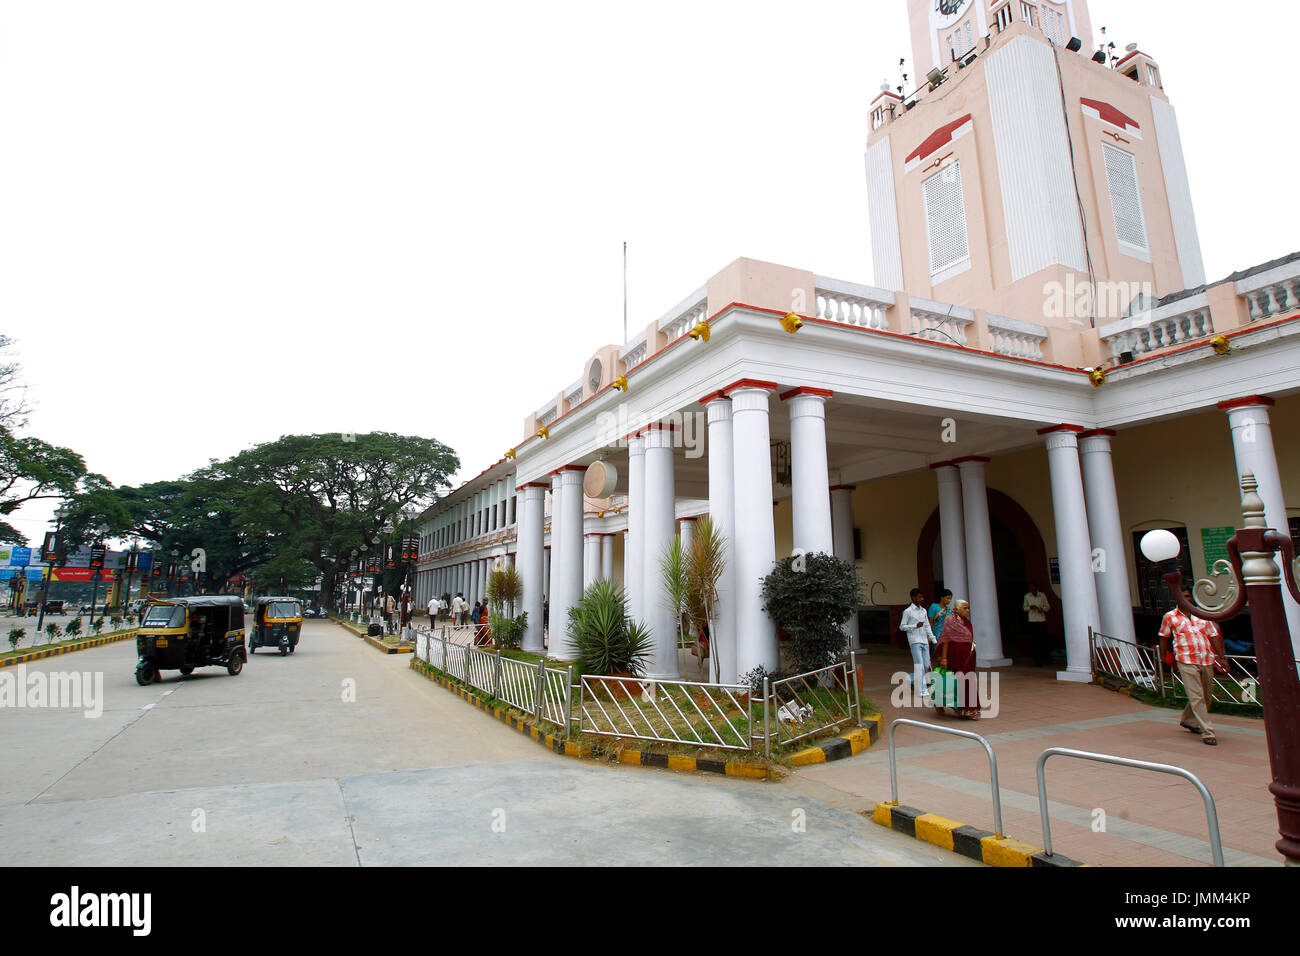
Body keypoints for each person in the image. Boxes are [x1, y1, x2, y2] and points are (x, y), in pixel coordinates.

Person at [1159, 587, 1226, 746]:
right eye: (1182, 596)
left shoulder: (1202, 615)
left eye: (1188, 596)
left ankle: (1188, 720)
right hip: (1185, 659)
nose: (1185, 599)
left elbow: (1213, 636)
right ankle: (1207, 732)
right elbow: (1164, 636)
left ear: (1193, 598)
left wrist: (1222, 658)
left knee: (1207, 696)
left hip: (1206, 659)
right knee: (1197, 696)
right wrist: (1163, 656)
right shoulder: (1170, 617)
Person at [935, 600, 982, 719]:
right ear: (956, 609)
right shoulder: (950, 621)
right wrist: (944, 658)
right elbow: (945, 640)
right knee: (954, 681)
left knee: (968, 680)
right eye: (965, 608)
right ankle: (940, 702)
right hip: (955, 656)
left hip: (968, 656)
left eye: (968, 608)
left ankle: (968, 710)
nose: (968, 611)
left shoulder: (967, 622)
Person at [899, 588, 933, 702]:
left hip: (924, 640)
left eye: (922, 597)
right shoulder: (908, 611)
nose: (922, 599)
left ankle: (909, 678)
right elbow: (902, 626)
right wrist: (914, 626)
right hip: (914, 641)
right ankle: (922, 689)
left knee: (926, 665)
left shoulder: (923, 611)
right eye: (919, 597)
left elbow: (927, 625)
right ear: (913, 598)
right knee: (919, 665)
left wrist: (932, 639)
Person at [1023, 581, 1051, 666]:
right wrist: (1030, 607)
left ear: (1036, 587)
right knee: (1035, 642)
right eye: (1030, 587)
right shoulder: (1027, 596)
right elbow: (1024, 608)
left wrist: (1042, 609)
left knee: (1044, 640)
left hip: (1041, 620)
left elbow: (1048, 607)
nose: (1031, 589)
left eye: (1033, 587)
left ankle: (1046, 659)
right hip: (1032, 620)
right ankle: (1037, 661)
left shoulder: (1042, 595)